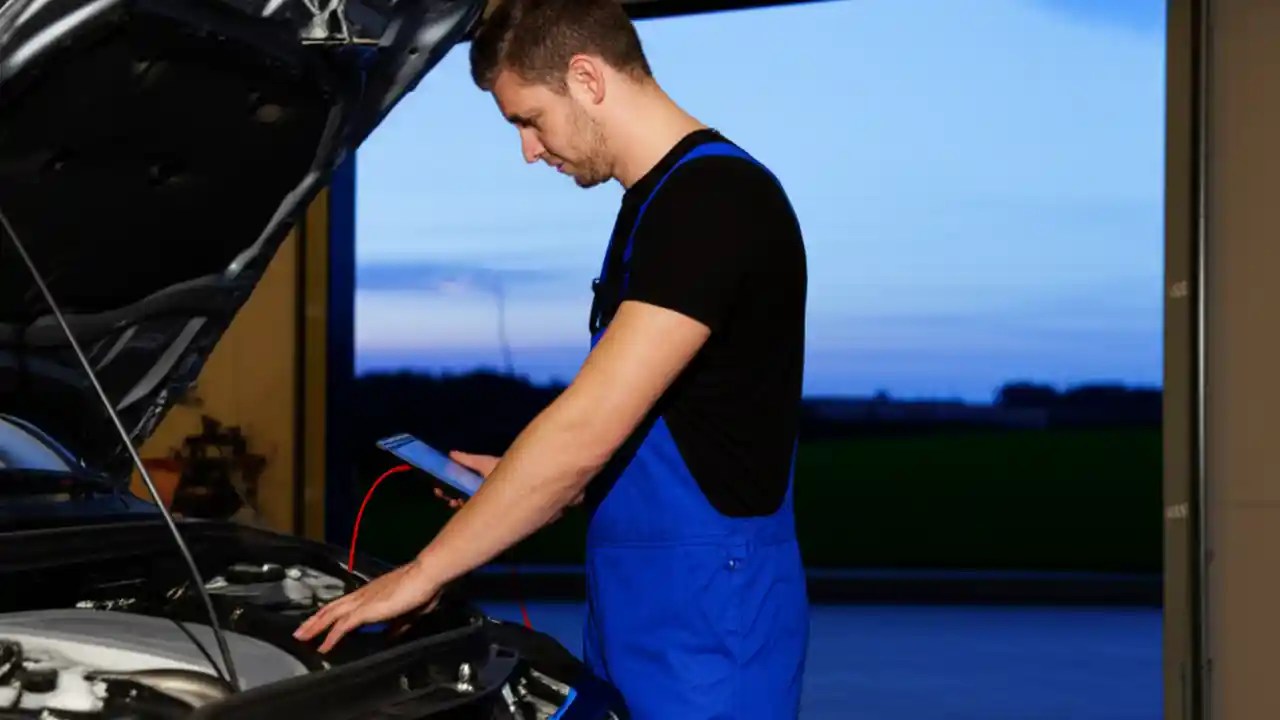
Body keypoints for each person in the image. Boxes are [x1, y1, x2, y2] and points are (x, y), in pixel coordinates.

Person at [294, 0, 810, 715]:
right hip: (646, 609)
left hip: (710, 621)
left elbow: (586, 430)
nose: (529, 150)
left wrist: (425, 571)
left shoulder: (715, 204)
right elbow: (670, 424)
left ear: (587, 78)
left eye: (528, 119)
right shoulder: (656, 205)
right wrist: (519, 479)